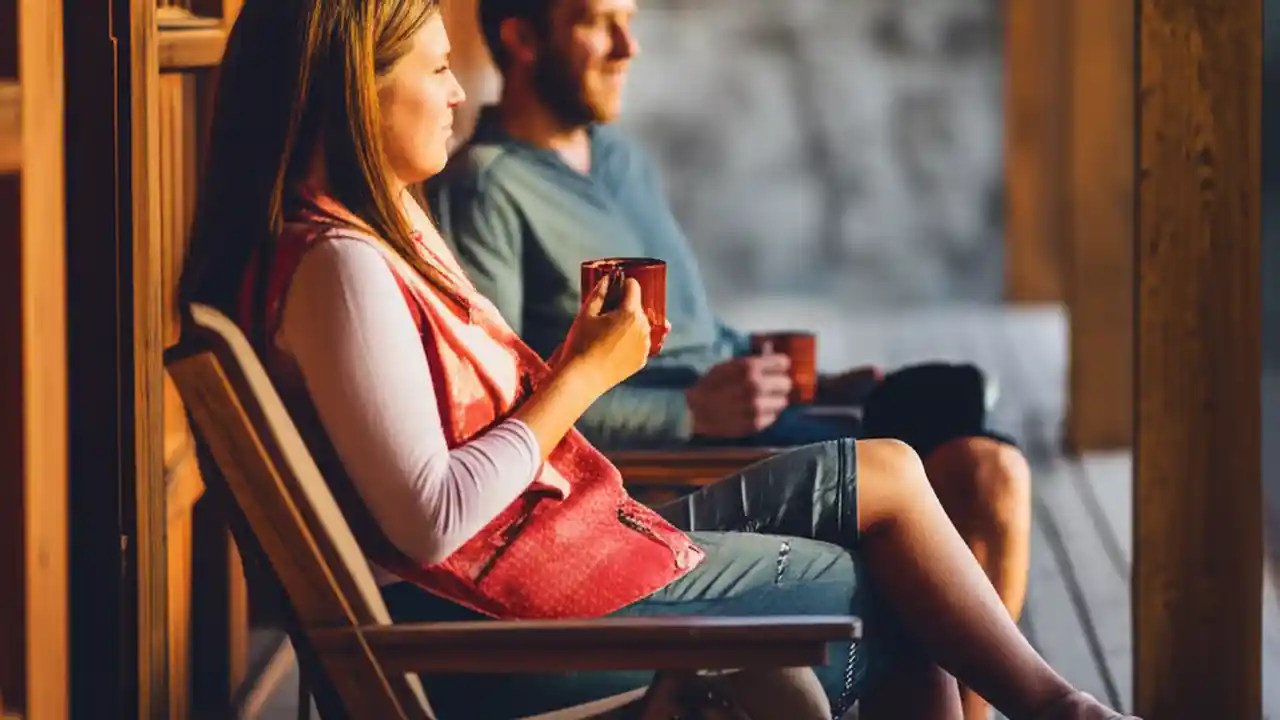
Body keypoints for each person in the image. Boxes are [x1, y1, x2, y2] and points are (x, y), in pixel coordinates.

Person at [179, 1, 1134, 718]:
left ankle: (1058, 707)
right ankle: (1060, 710)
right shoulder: (339, 268)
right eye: (435, 71)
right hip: (502, 614)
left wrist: (582, 371)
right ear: (358, 86)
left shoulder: (365, 238)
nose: (458, 92)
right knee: (902, 596)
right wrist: (583, 377)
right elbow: (429, 520)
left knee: (887, 472)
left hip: (557, 550)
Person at [428, 3, 1031, 715]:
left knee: (987, 467)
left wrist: (803, 375)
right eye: (599, 23)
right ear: (521, 38)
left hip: (758, 416)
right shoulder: (484, 190)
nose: (629, 46)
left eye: (631, 17)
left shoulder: (623, 161)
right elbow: (512, 408)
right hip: (693, 452)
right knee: (960, 492)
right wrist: (688, 413)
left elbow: (698, 327)